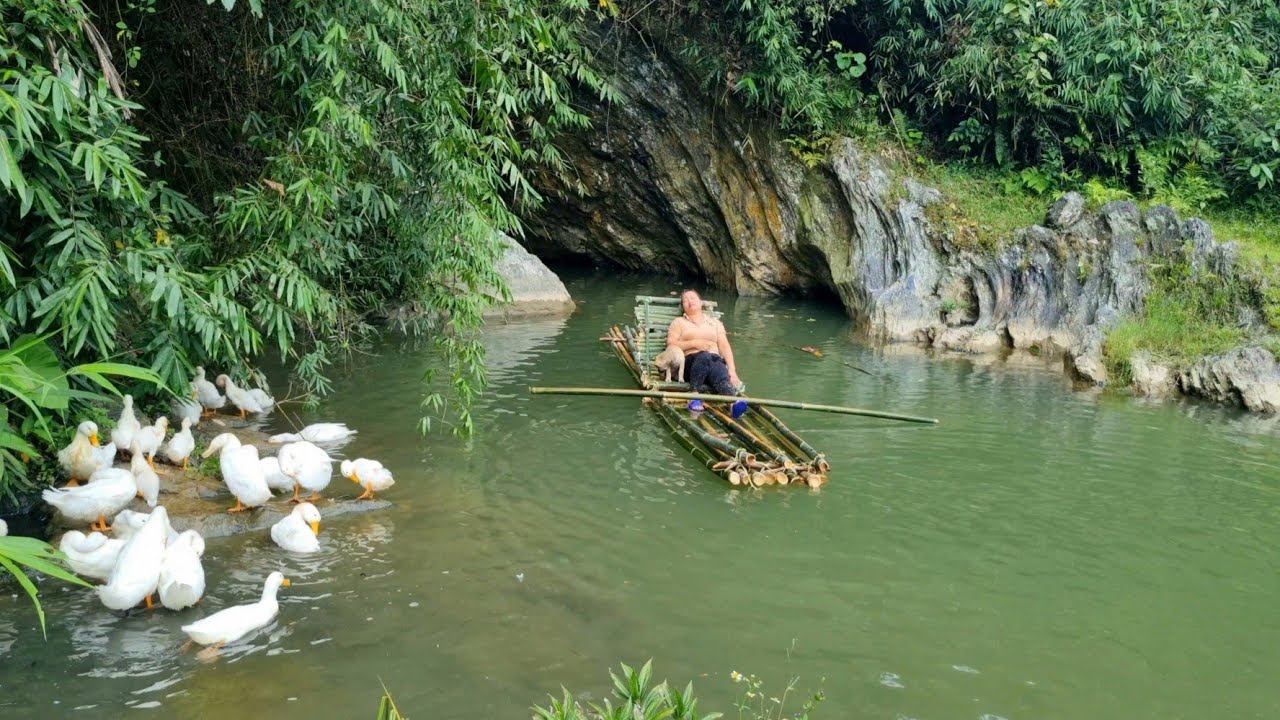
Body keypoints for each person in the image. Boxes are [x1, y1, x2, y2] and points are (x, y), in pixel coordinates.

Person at [665, 289, 743, 398]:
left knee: (720, 370)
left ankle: (732, 401)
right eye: (685, 300)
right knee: (704, 356)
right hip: (689, 364)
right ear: (683, 307)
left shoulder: (715, 323)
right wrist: (694, 343)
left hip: (713, 360)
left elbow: (724, 346)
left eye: (693, 298)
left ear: (701, 302)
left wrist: (732, 371)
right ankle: (694, 394)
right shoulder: (678, 322)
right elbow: (671, 343)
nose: (689, 301)